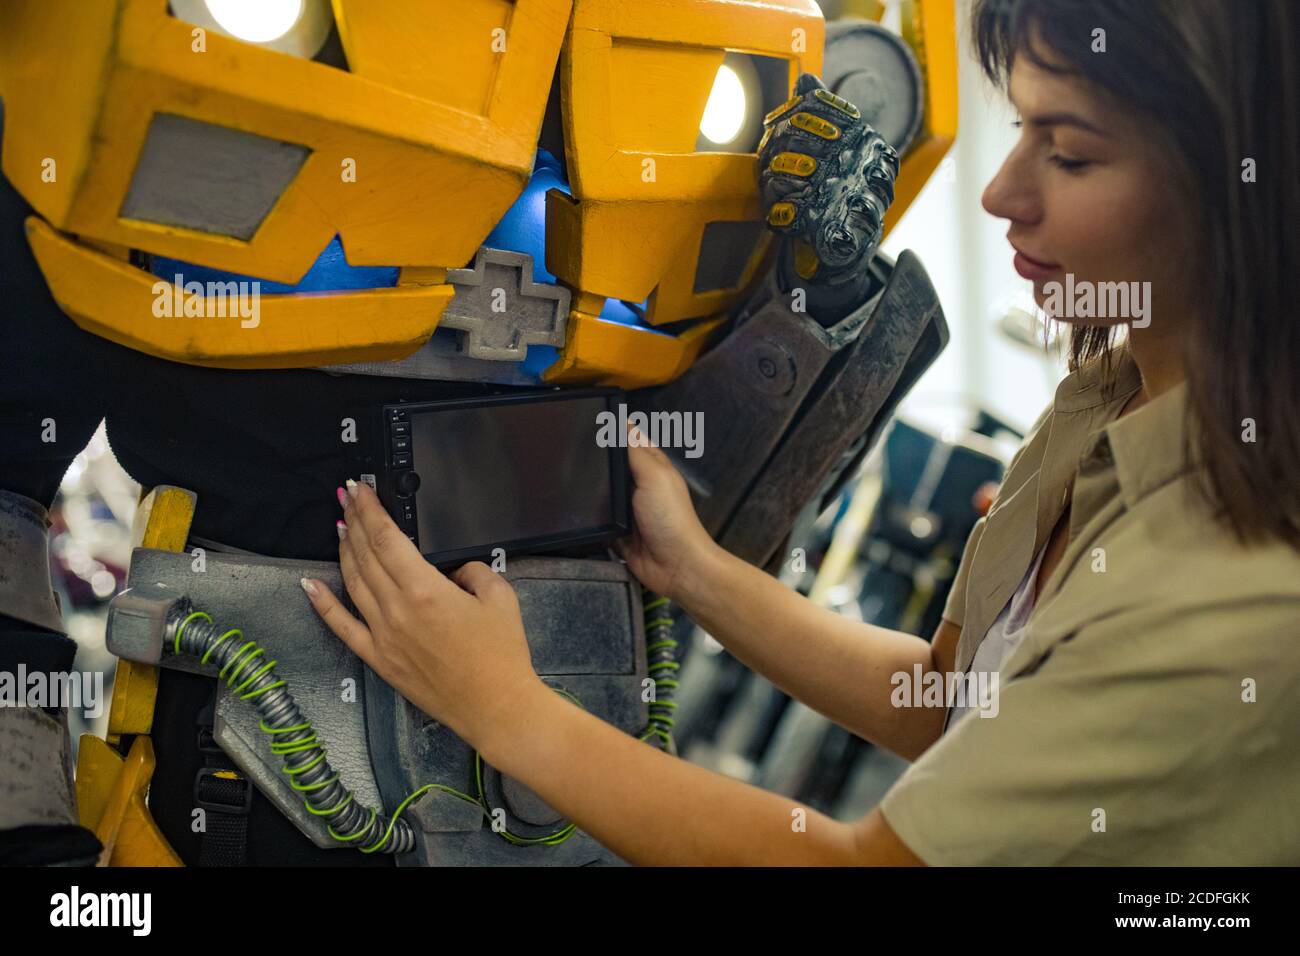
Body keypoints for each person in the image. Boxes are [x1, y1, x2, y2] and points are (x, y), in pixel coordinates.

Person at [303, 0, 1300, 865]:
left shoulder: (1237, 587)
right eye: (1023, 132)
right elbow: (943, 695)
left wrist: (503, 708)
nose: (1002, 194)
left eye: (1072, 152)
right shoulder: (1105, 395)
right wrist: (693, 565)